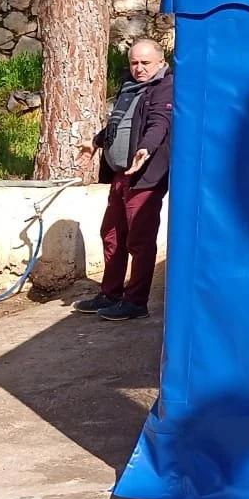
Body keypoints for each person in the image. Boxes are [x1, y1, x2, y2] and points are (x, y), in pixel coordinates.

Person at [74, 37, 174, 321]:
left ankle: (136, 301)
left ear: (161, 62)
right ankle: (110, 293)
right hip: (121, 174)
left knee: (139, 240)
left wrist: (145, 149)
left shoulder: (165, 87)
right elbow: (119, 124)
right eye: (134, 63)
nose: (139, 68)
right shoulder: (130, 87)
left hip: (145, 176)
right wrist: (95, 142)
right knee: (112, 234)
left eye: (145, 63)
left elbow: (159, 123)